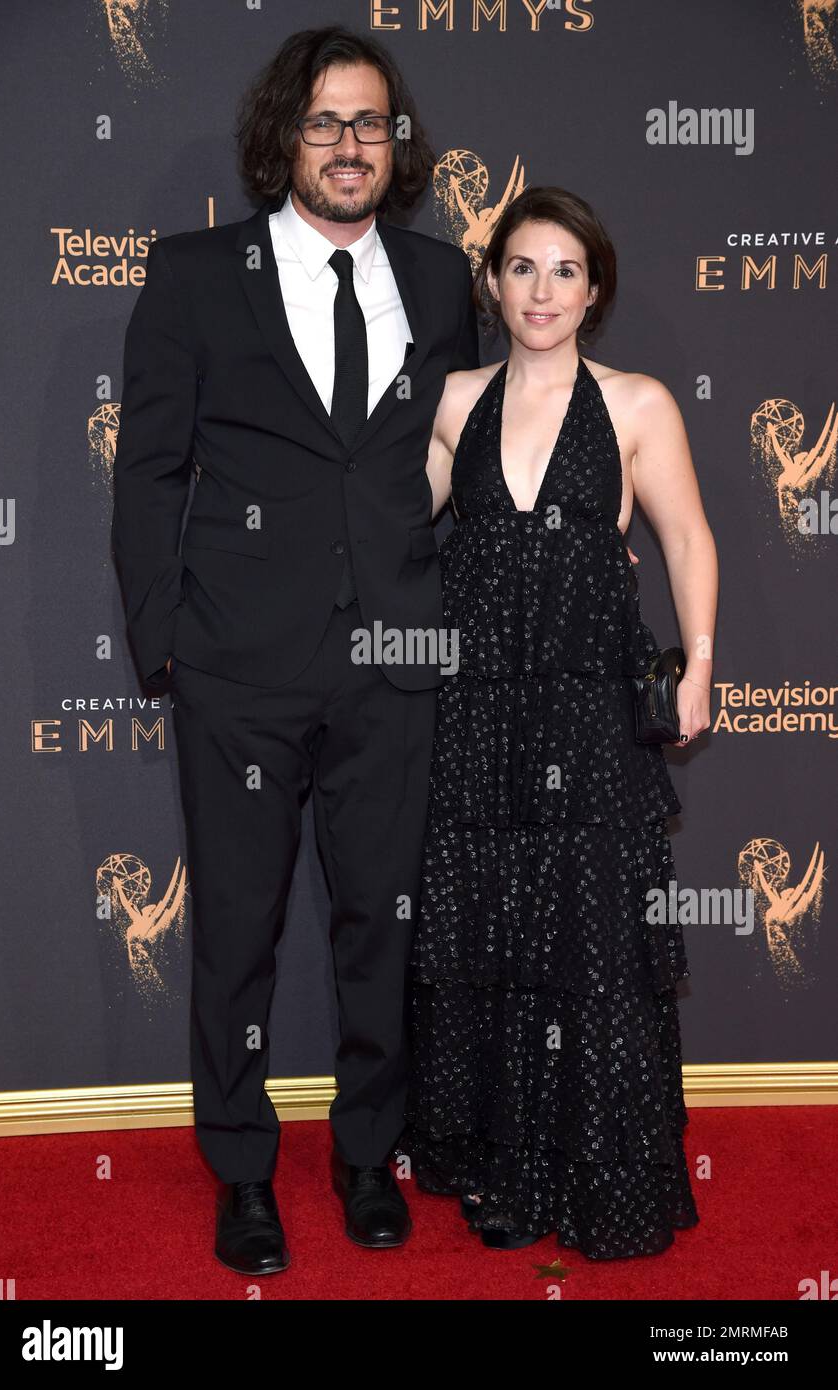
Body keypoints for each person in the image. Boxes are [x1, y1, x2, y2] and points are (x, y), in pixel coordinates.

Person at [111, 25, 478, 1275]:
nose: (348, 145)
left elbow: (449, 463)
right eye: (324, 122)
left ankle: (369, 1156)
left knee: (381, 919)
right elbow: (150, 466)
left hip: (390, 663)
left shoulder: (439, 285)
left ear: (399, 144)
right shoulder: (195, 273)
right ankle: (241, 1170)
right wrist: (163, 641)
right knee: (238, 925)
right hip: (237, 664)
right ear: (282, 139)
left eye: (369, 123)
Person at [398, 185, 718, 1258]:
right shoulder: (451, 402)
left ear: (594, 290)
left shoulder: (636, 405)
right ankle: (504, 1164)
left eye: (564, 270)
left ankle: (593, 1178)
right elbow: (395, 531)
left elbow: (685, 539)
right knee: (489, 930)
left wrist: (699, 664)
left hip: (586, 712)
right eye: (522, 268)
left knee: (585, 938)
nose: (542, 290)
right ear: (491, 284)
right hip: (476, 710)